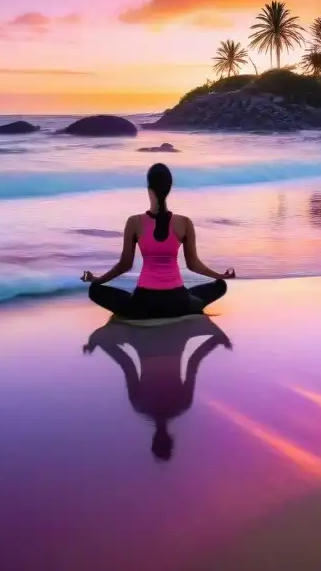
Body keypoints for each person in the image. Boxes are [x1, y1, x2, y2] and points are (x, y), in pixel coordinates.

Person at [81, 163, 234, 320]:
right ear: (169, 189)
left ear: (149, 190)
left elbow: (125, 265)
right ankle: (190, 304)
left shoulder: (134, 222)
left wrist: (98, 279)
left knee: (95, 290)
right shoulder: (184, 223)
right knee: (219, 286)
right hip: (178, 302)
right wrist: (220, 275)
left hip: (144, 304)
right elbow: (193, 264)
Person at [83, 315, 232, 461]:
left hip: (171, 340)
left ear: (168, 440)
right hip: (148, 342)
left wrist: (216, 340)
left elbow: (193, 361)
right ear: (155, 439)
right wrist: (101, 343)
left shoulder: (181, 404)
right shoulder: (141, 405)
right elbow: (127, 364)